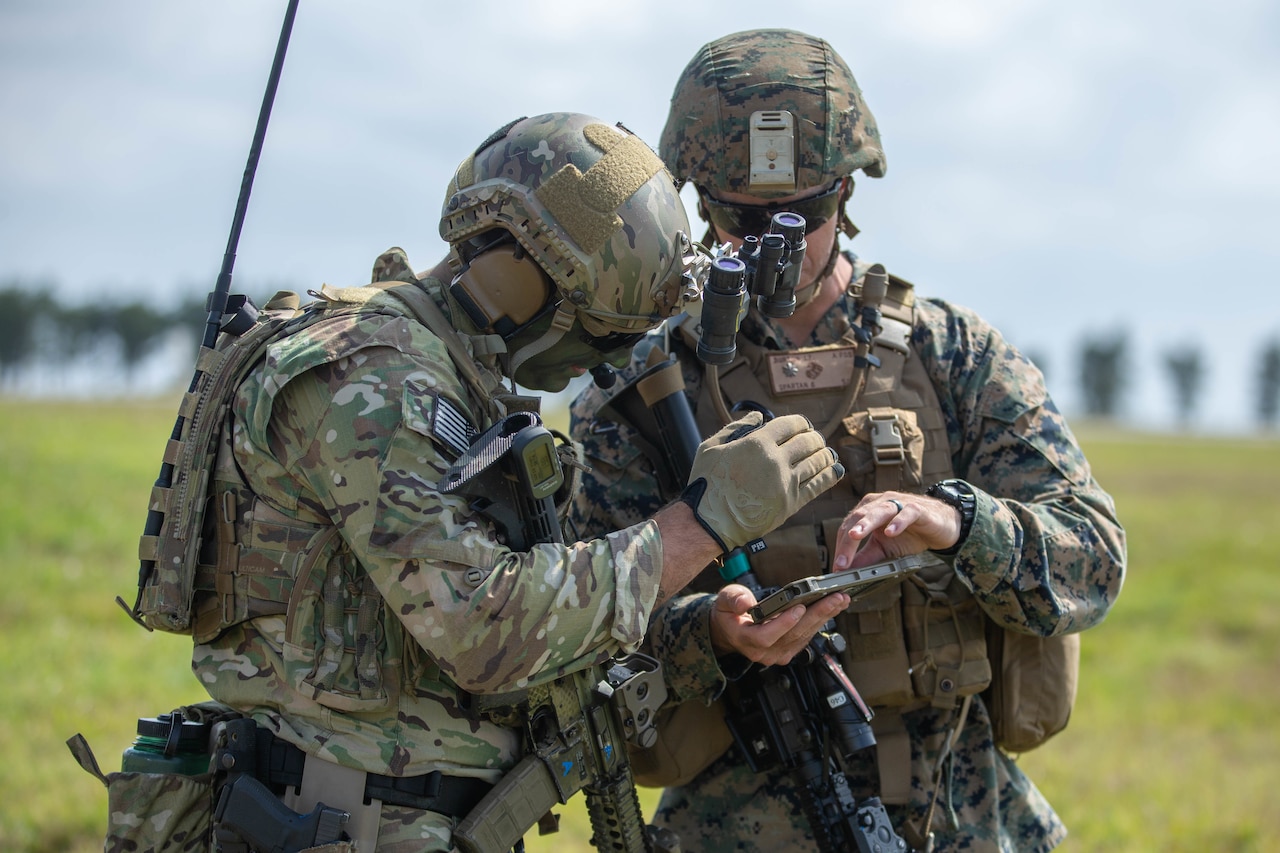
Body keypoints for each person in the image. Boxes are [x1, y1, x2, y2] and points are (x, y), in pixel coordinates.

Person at [103, 112, 844, 853]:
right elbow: (482, 627)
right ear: (519, 281)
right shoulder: (373, 378)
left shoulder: (450, 376)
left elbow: (528, 624)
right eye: (599, 331)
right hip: (332, 820)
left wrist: (704, 631)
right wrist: (696, 526)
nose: (594, 361)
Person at [568, 31, 1126, 853]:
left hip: (959, 815)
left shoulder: (952, 354)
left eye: (803, 214)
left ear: (846, 194)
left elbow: (1094, 558)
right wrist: (710, 633)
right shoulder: (644, 388)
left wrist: (959, 523)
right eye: (740, 216)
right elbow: (570, 625)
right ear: (696, 202)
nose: (772, 244)